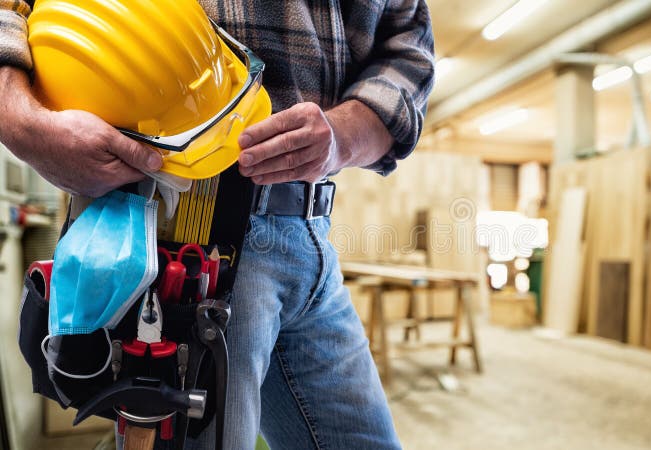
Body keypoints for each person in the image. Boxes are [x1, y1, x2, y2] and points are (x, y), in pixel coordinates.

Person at [0, 0, 434, 448]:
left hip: (312, 234)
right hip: (180, 225)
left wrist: (344, 136)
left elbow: (408, 46)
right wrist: (16, 117)